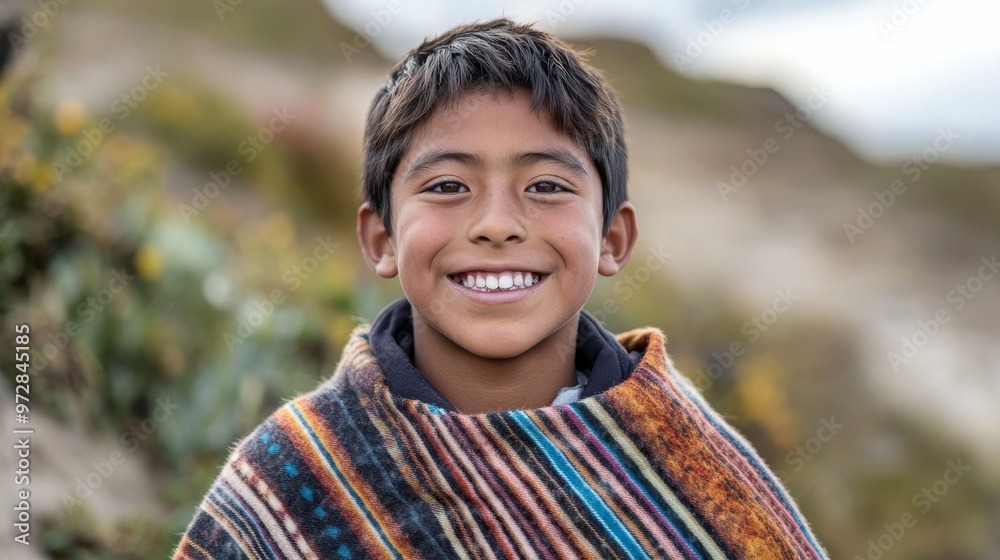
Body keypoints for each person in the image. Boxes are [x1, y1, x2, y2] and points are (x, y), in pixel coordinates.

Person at [173, 18, 828, 559]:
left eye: (546, 186)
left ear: (611, 239)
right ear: (381, 239)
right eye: (447, 186)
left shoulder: (702, 483)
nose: (495, 226)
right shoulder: (292, 483)